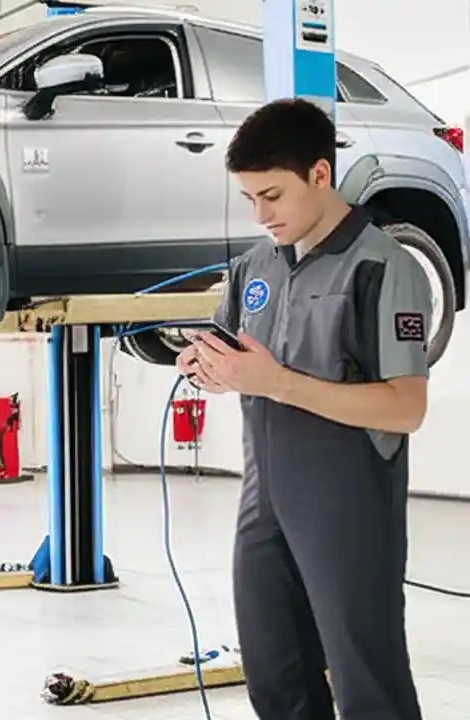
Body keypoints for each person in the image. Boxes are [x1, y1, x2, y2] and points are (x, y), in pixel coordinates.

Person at [176, 98, 430, 720]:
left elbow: (406, 409)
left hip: (348, 506)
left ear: (320, 174)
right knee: (274, 672)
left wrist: (275, 381)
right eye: (250, 200)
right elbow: (230, 350)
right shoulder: (254, 268)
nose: (262, 215)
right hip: (264, 502)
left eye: (272, 196)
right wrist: (206, 366)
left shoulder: (384, 268)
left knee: (367, 679)